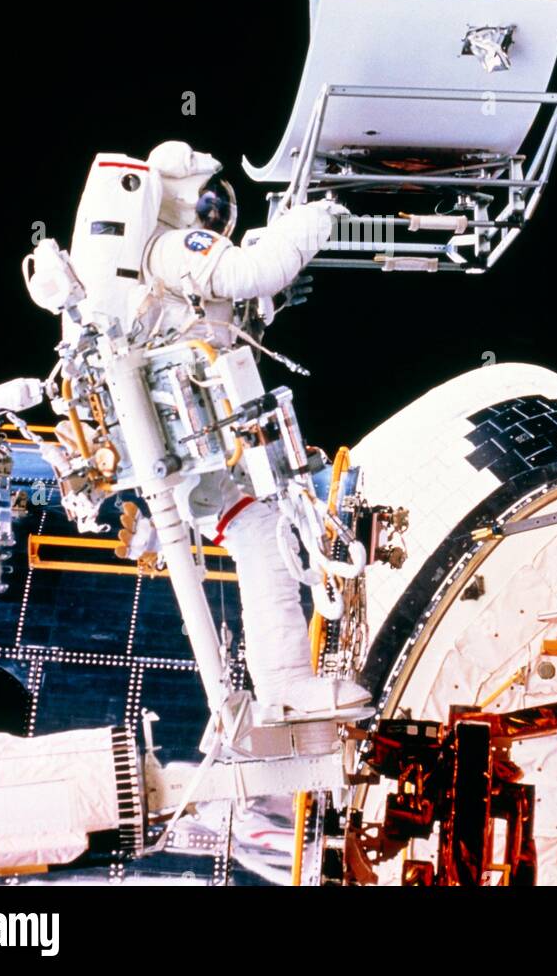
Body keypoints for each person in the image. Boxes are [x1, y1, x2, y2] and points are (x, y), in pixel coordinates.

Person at [116, 141, 370, 723]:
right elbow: (252, 270)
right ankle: (282, 685)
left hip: (198, 441)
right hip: (198, 443)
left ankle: (284, 686)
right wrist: (317, 216)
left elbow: (224, 310)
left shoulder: (160, 262)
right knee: (262, 538)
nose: (213, 218)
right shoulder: (173, 246)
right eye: (205, 203)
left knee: (262, 537)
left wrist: (271, 290)